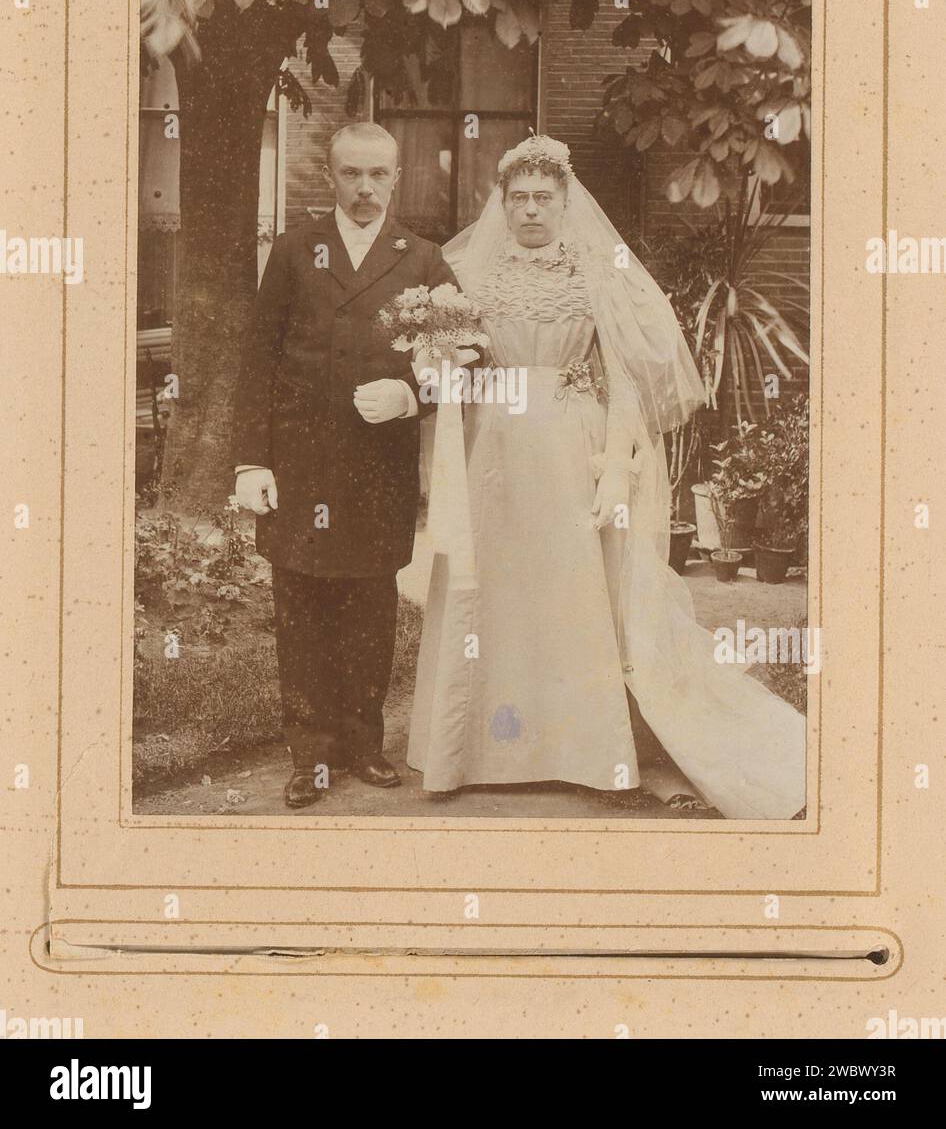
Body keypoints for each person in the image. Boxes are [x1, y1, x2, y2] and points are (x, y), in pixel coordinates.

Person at [407, 134, 806, 820]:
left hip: (571, 442)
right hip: (494, 448)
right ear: (501, 205)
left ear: (565, 204)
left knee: (573, 595)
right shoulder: (468, 276)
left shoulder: (596, 273)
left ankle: (587, 751)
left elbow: (624, 380)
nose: (531, 211)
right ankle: (471, 751)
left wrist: (618, 466)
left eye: (544, 199)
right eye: (519, 199)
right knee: (495, 589)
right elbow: (449, 369)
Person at [232, 122, 460, 808]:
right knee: (300, 606)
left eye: (378, 176)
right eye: (351, 174)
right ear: (330, 175)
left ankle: (364, 746)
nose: (364, 189)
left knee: (368, 605)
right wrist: (250, 463)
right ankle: (310, 755)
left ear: (397, 178)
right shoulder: (297, 252)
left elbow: (471, 359)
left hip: (375, 471)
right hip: (301, 467)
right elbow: (257, 363)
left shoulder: (422, 259)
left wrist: (412, 395)